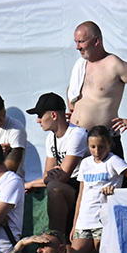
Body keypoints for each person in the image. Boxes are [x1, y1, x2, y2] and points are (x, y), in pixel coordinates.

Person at [68, 21, 127, 143]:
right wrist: (73, 111)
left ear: (96, 41)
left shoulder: (113, 64)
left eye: (82, 42)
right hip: (77, 139)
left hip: (104, 141)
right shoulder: (80, 65)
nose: (77, 47)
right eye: (76, 42)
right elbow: (72, 89)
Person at [71, 125, 127, 253]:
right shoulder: (85, 163)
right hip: (84, 220)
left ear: (109, 144)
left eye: (101, 147)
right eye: (92, 147)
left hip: (103, 220)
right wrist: (75, 224)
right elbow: (81, 195)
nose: (97, 152)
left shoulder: (114, 161)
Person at [25, 93, 83, 231]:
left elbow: (63, 176)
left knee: (54, 187)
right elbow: (46, 177)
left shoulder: (77, 135)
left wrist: (34, 182)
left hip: (83, 189)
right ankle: (58, 240)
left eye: (40, 115)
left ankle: (56, 237)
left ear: (54, 115)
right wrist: (49, 175)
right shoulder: (51, 138)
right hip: (70, 188)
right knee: (53, 186)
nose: (38, 120)